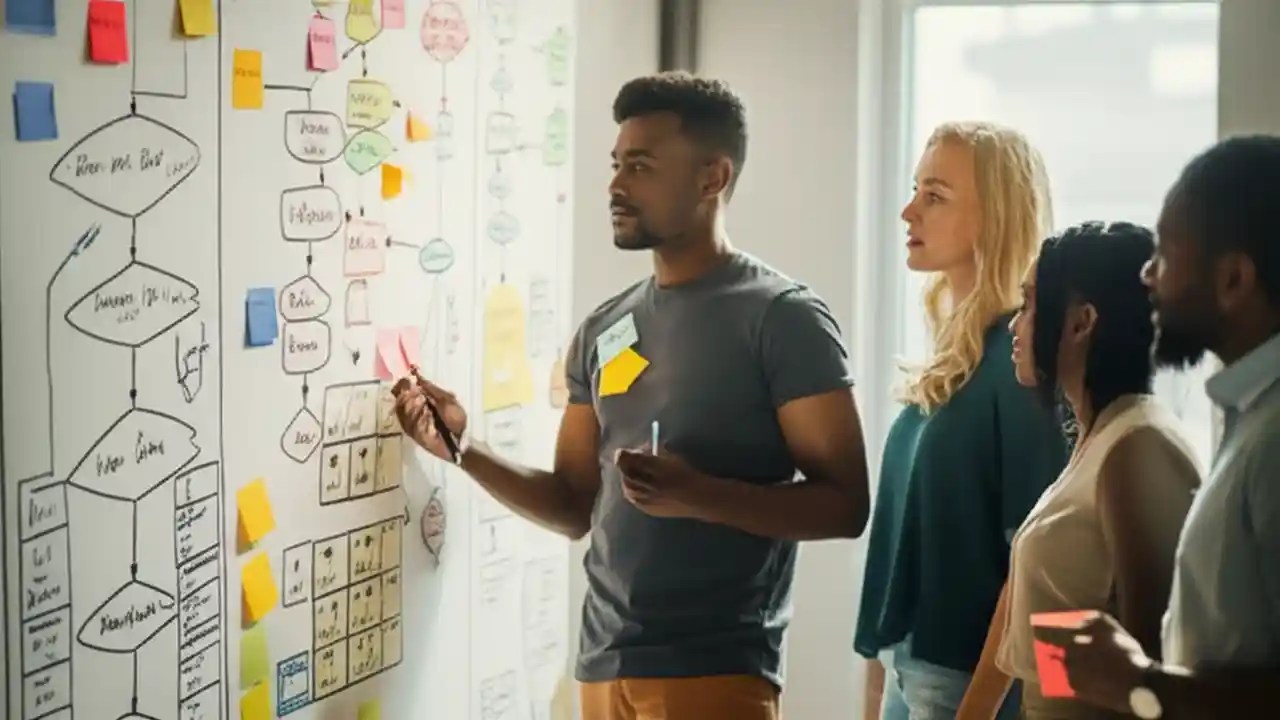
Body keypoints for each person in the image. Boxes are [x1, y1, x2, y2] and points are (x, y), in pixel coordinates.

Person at [394, 71, 871, 720]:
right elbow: (570, 506)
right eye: (617, 165)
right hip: (600, 668)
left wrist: (696, 493)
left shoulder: (783, 318)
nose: (616, 186)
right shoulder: (602, 328)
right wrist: (462, 447)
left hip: (714, 671)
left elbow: (845, 506)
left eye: (641, 167)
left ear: (712, 177)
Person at [1048, 135, 1280, 719]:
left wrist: (1138, 683)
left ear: (1233, 280)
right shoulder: (1251, 419)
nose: (1148, 276)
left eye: (1167, 255)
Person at [855, 121, 1069, 720]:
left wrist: (973, 712)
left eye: (934, 196)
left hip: (966, 685)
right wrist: (874, 688)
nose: (907, 212)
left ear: (996, 217)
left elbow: (1034, 566)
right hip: (911, 666)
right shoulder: (957, 356)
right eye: (914, 190)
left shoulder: (1018, 365)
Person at [955, 222, 1202, 720]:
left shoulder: (1138, 447)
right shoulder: (1100, 438)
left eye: (1029, 304)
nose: (1015, 324)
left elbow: (1149, 665)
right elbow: (1070, 638)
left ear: (1080, 322)